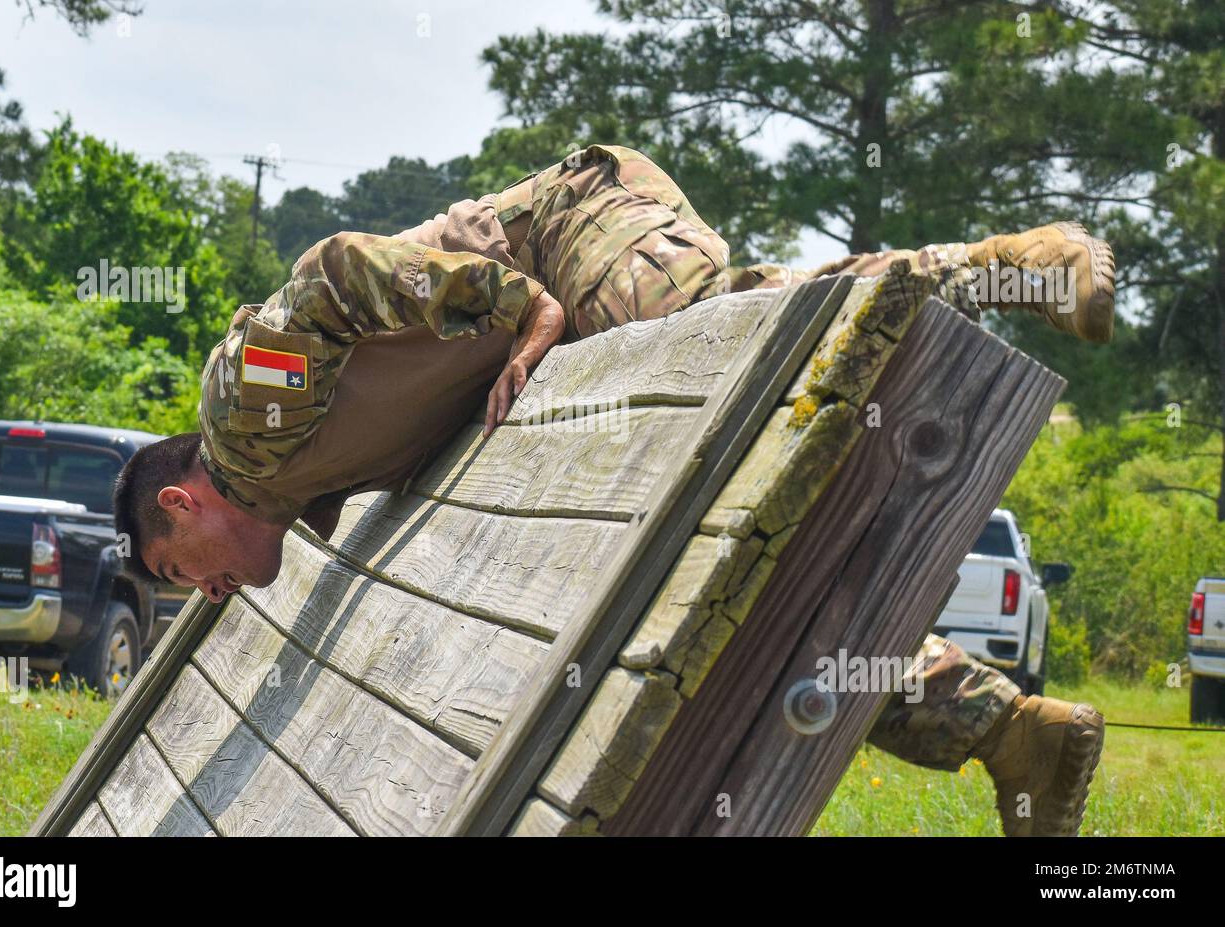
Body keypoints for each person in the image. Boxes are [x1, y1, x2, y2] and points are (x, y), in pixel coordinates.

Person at [114, 144, 1110, 836]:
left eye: (177, 570)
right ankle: (999, 727)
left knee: (737, 328)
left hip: (559, 231)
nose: (202, 591)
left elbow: (326, 282)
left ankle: (1013, 269)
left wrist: (520, 301)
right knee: (724, 568)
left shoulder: (247, 419)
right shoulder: (302, 493)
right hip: (552, 344)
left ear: (180, 503)